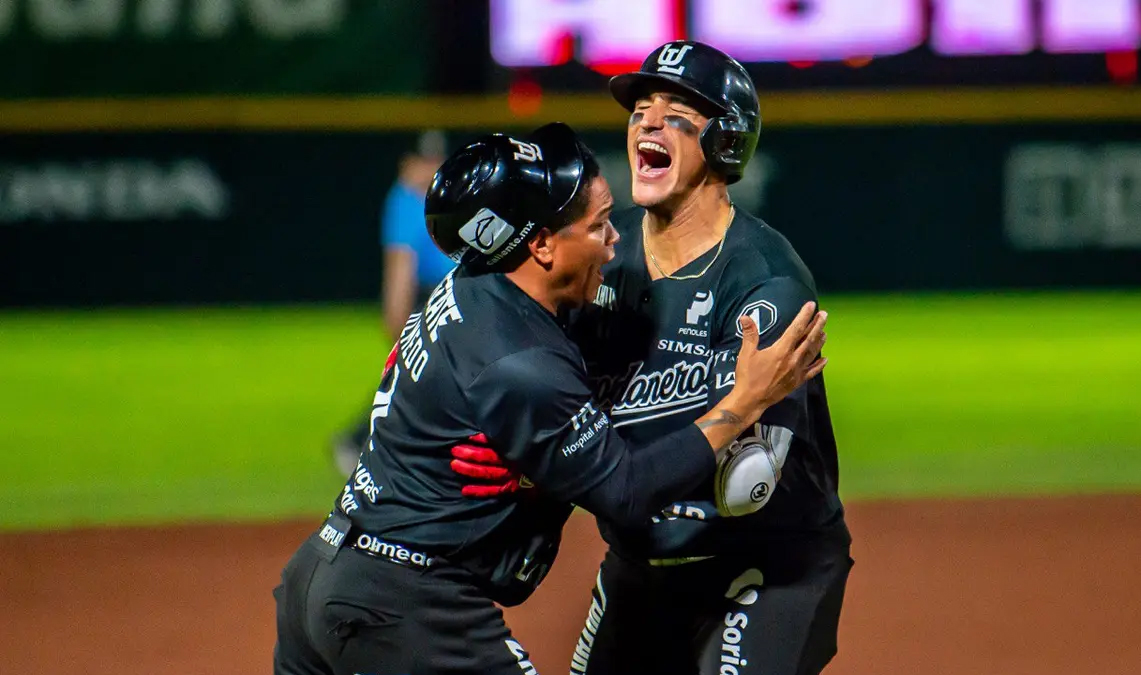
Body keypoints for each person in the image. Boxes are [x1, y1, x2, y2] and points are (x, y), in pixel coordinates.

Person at [272, 122, 832, 675]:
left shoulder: (476, 279)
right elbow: (627, 488)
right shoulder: (522, 364)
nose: (615, 243)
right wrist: (744, 401)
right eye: (598, 227)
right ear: (540, 245)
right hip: (403, 605)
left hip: (323, 575)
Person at [454, 41, 853, 674]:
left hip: (767, 563)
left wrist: (580, 459)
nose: (648, 119)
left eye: (675, 110)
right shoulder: (599, 267)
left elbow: (745, 479)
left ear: (724, 140)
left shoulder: (764, 281)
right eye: (640, 108)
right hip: (645, 564)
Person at [333, 130, 457, 477]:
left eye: (437, 161)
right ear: (407, 164)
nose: (432, 168)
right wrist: (396, 319)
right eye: (425, 161)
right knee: (419, 377)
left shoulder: (439, 196)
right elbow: (399, 268)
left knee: (425, 379)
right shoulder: (405, 201)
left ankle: (365, 441)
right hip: (431, 298)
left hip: (448, 294)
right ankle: (358, 439)